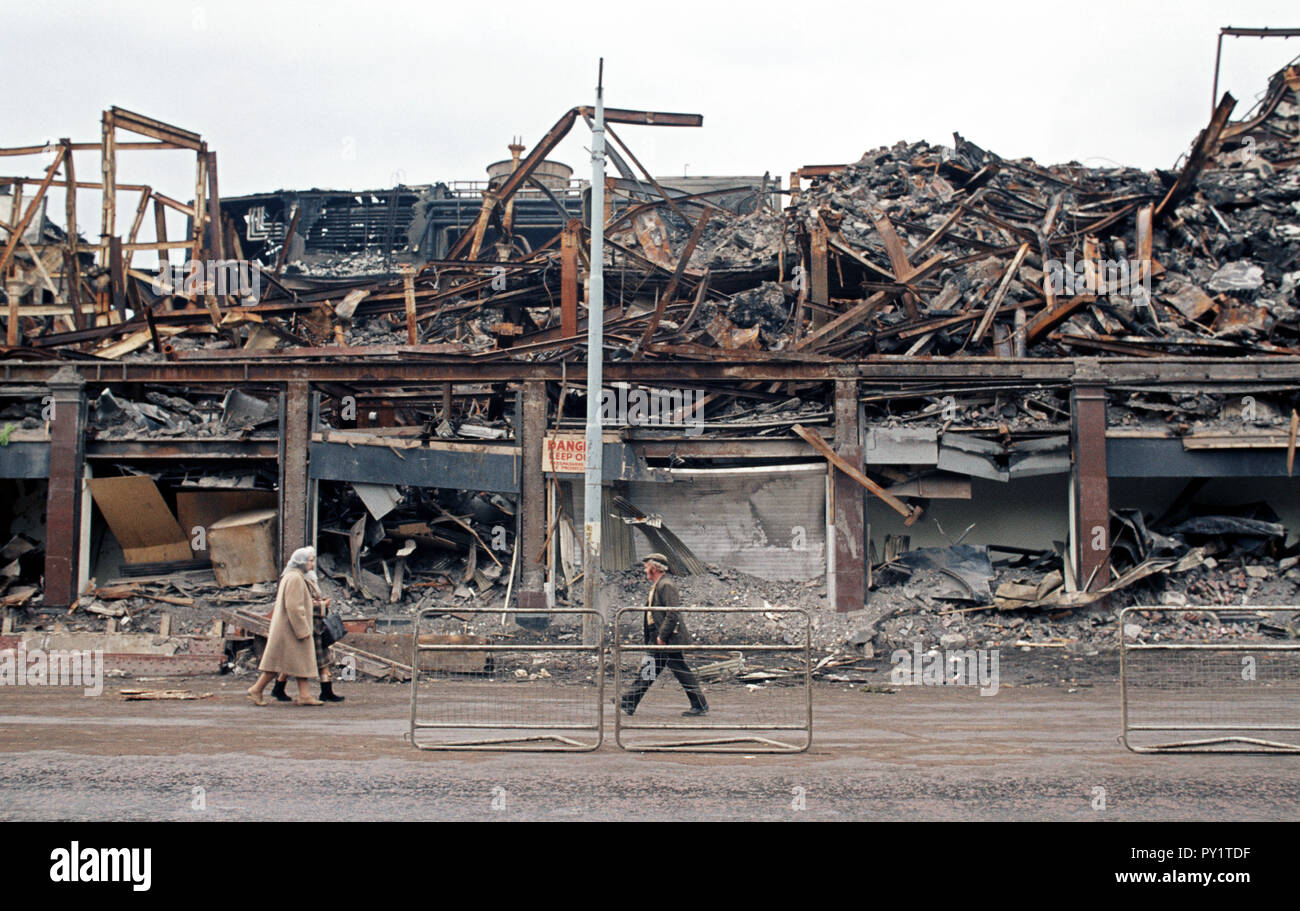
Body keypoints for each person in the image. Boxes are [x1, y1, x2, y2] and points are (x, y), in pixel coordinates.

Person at [620, 553, 709, 718]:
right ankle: (629, 701)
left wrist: (662, 636)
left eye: (647, 566)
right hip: (659, 635)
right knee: (650, 669)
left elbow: (672, 613)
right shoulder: (658, 585)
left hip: (667, 637)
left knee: (680, 670)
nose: (645, 570)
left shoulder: (666, 585)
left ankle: (700, 705)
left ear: (654, 568)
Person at [246, 547, 323, 706]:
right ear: (300, 561)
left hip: (289, 628)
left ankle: (305, 695)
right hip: (291, 629)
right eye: (310, 560)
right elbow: (294, 606)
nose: (312, 564)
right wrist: (302, 629)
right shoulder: (295, 578)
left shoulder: (294, 576)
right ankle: (256, 689)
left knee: (300, 662)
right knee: (277, 663)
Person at [269, 566, 344, 704]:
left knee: (317, 661)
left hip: (315, 628)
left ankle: (279, 688)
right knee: (318, 661)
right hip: (312, 629)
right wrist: (322, 605)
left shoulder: (301, 581)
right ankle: (323, 692)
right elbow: (304, 607)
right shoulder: (300, 583)